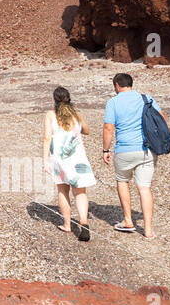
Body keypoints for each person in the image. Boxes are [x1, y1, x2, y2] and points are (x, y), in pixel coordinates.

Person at [102, 73, 162, 238]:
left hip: (124, 150)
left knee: (122, 181)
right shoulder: (146, 98)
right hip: (147, 149)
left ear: (117, 86)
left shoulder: (113, 102)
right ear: (131, 84)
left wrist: (105, 150)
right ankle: (148, 230)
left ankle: (128, 220)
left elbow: (108, 128)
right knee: (144, 187)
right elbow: (161, 118)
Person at [42, 86, 95, 241]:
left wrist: (45, 160)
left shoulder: (51, 115)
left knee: (63, 190)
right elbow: (86, 130)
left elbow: (47, 138)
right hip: (78, 158)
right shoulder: (76, 114)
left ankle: (67, 224)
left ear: (55, 99)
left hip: (60, 158)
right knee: (80, 192)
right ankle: (84, 222)